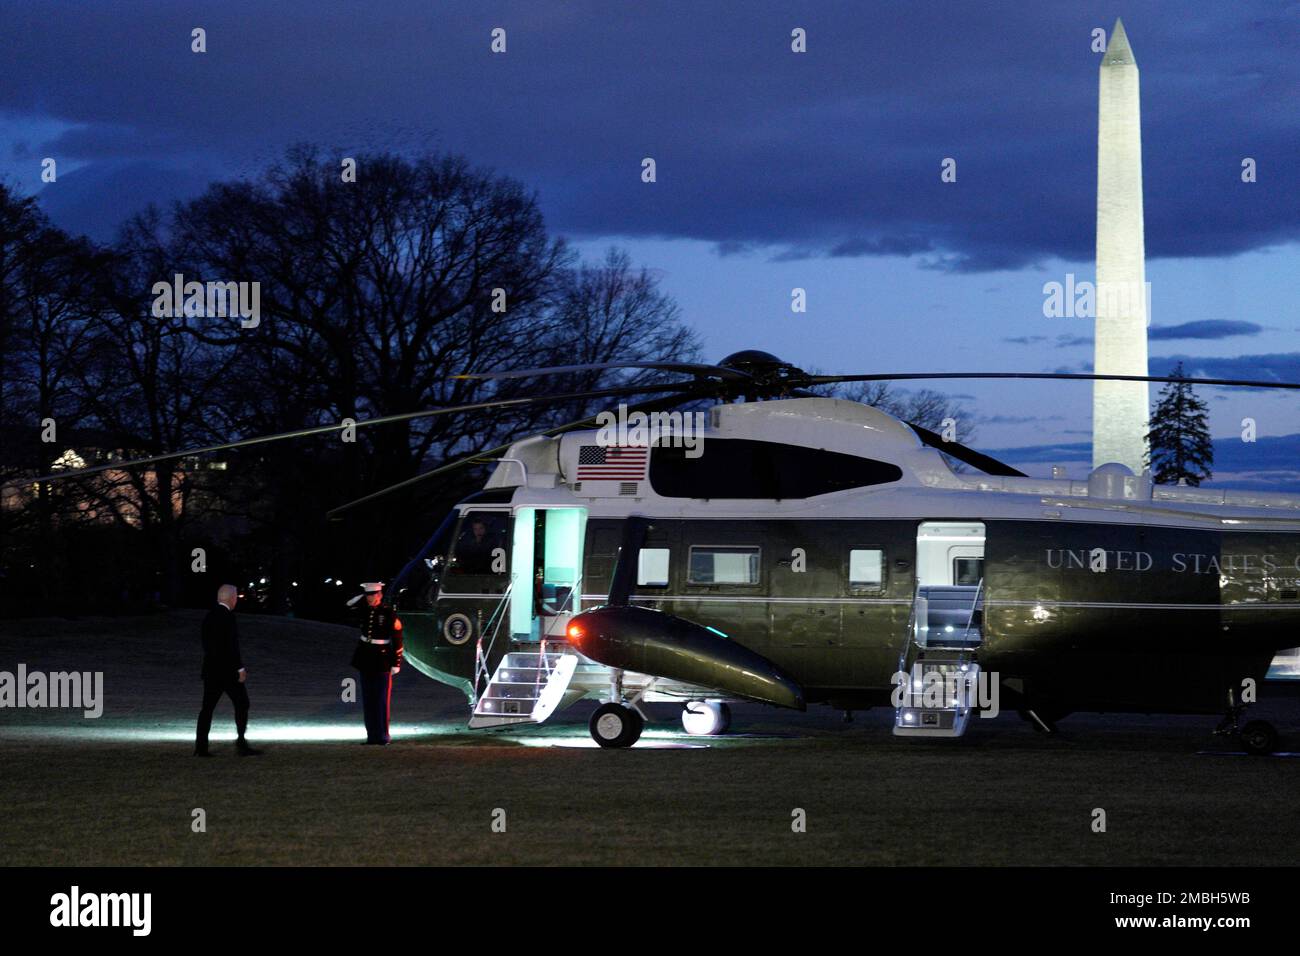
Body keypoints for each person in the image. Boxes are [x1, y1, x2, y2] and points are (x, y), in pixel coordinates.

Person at [195, 584, 261, 757]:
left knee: (207, 708)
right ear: (231, 598)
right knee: (242, 703)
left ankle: (200, 747)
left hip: (211, 670)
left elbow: (208, 644)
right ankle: (241, 742)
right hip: (228, 672)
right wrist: (240, 668)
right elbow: (231, 646)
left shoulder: (209, 616)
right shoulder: (228, 618)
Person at [349, 582, 403, 745]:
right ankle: (372, 736)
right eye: (367, 595)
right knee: (368, 698)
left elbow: (397, 637)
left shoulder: (388, 612)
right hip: (365, 658)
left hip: (382, 658)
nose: (369, 598)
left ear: (379, 595)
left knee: (381, 700)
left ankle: (383, 736)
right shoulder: (364, 609)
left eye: (372, 595)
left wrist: (396, 662)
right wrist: (362, 596)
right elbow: (349, 605)